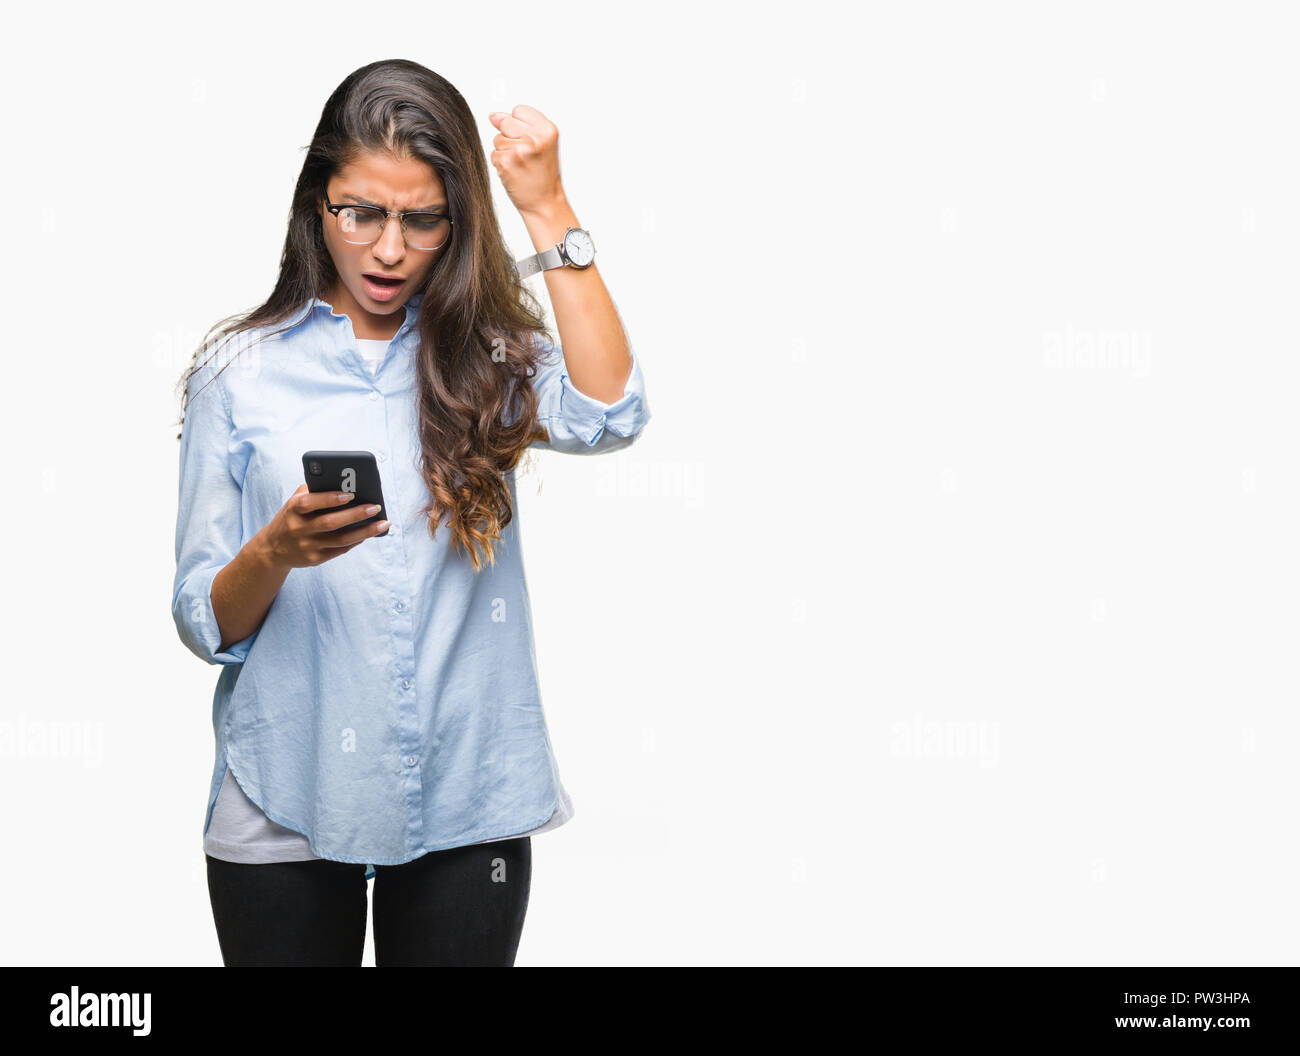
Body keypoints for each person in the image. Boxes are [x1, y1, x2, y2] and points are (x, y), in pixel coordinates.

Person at [171, 59, 651, 966]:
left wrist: (548, 210)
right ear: (319, 204)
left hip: (467, 794)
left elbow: (610, 411)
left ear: (456, 220)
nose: (389, 249)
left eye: (422, 218)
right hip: (284, 790)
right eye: (361, 212)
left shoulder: (489, 357)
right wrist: (273, 552)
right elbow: (203, 620)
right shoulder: (239, 373)